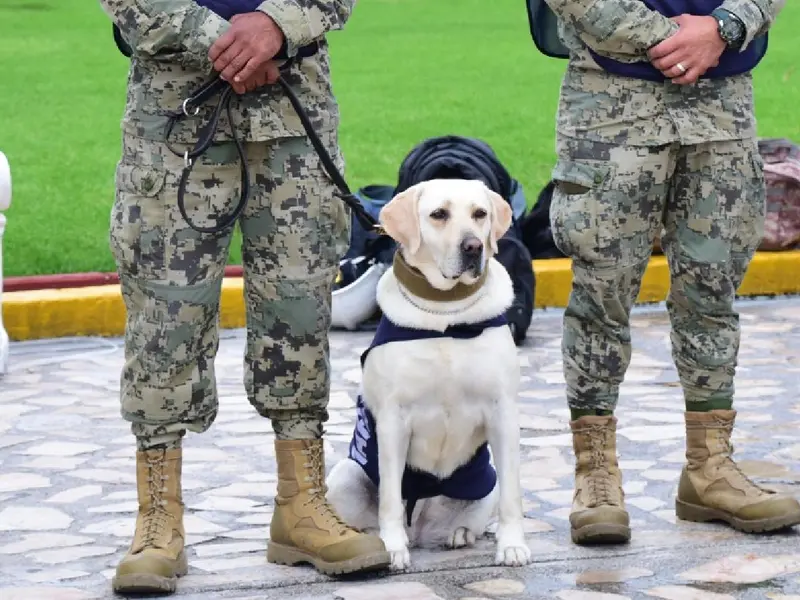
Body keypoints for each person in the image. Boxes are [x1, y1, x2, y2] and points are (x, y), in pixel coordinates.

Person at [98, 0, 390, 594]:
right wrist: (229, 40)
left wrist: (277, 24)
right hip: (174, 109)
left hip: (291, 100)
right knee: (164, 312)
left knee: (300, 308)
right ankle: (159, 521)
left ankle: (301, 507)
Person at [542, 0, 800, 545]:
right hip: (610, 103)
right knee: (602, 289)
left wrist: (724, 28)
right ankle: (595, 476)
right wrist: (669, 38)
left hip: (721, 105)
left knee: (713, 288)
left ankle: (710, 469)